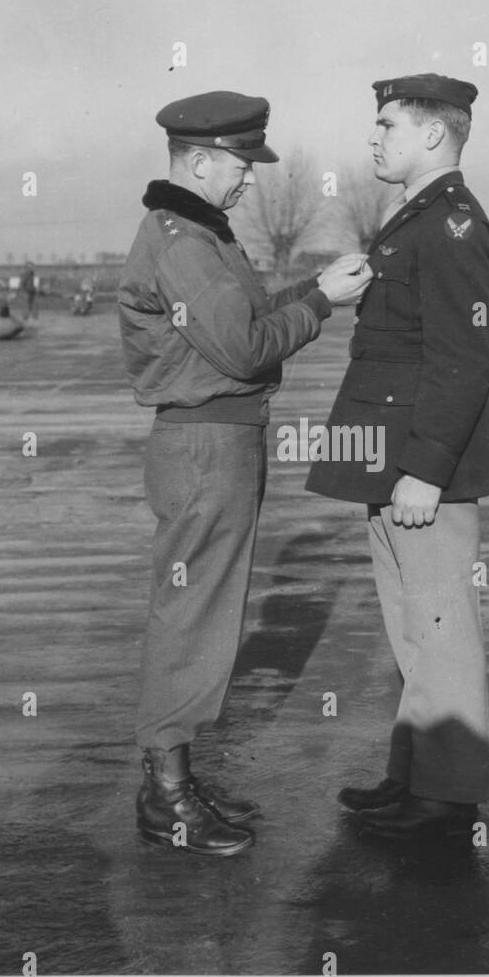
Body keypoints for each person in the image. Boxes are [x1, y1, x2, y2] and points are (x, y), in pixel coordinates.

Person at [117, 91, 371, 857]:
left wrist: (313, 289)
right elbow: (246, 352)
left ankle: (175, 779)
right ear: (198, 162)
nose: (249, 179)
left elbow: (248, 323)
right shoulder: (185, 244)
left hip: (216, 443)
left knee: (202, 614)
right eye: (239, 164)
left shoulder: (196, 233)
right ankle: (167, 797)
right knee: (191, 619)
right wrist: (323, 304)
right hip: (205, 449)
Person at [306, 74, 489, 840]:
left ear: (434, 135)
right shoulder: (415, 218)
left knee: (441, 627)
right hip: (393, 460)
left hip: (420, 469)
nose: (373, 140)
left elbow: (461, 359)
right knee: (415, 629)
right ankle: (414, 777)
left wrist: (426, 470)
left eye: (387, 126)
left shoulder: (451, 227)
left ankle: (449, 796)